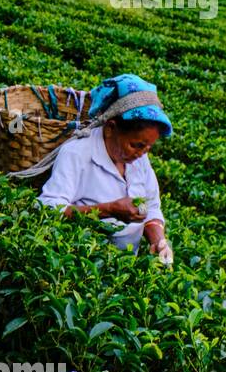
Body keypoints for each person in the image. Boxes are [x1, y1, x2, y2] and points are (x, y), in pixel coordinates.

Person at [37, 74, 174, 263]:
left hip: (123, 267)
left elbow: (151, 207)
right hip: (82, 264)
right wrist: (108, 209)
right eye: (136, 145)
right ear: (110, 128)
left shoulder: (139, 158)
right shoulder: (77, 153)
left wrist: (159, 241)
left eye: (148, 148)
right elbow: (48, 208)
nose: (142, 153)